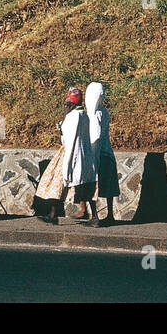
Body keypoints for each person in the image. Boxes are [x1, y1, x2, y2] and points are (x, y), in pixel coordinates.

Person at [33, 87, 96, 225]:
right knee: (85, 186)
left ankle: (53, 215)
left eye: (68, 103)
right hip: (84, 154)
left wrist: (67, 163)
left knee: (56, 183)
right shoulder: (84, 115)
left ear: (71, 103)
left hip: (70, 153)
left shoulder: (73, 116)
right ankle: (56, 214)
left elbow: (69, 139)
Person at [80, 81, 120, 226]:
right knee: (108, 186)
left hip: (95, 153)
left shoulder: (93, 114)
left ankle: (95, 217)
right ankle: (110, 214)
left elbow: (95, 137)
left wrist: (92, 159)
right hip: (107, 152)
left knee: (92, 185)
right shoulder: (104, 111)